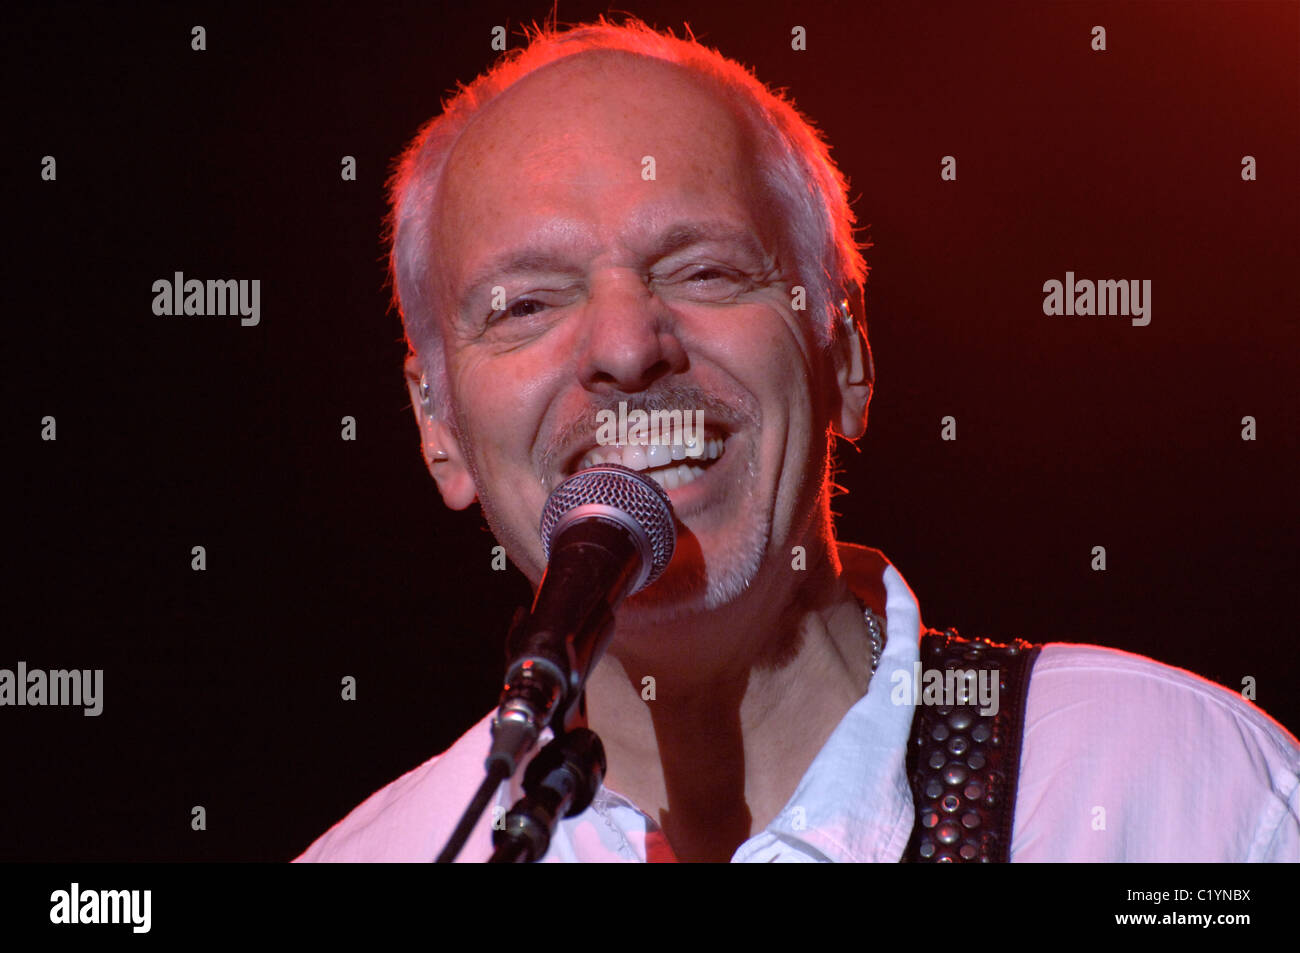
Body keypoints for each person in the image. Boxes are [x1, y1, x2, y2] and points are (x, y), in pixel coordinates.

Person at [296, 19, 1299, 863]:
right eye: (525, 302)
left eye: (702, 269)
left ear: (848, 356)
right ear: (439, 429)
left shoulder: (1181, 798)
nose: (625, 345)